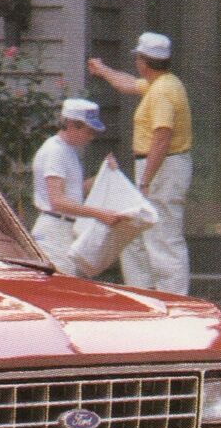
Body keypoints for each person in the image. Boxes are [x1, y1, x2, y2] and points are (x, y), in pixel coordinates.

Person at [87, 31, 193, 294]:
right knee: (138, 235)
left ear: (144, 61)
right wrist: (103, 70)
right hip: (158, 166)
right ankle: (145, 294)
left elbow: (162, 137)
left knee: (163, 236)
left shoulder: (162, 93)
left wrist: (146, 180)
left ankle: (173, 301)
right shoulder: (163, 84)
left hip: (162, 167)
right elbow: (128, 84)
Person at [30, 98, 123, 275]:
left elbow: (73, 191)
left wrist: (104, 174)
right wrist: (99, 213)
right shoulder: (55, 151)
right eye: (89, 131)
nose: (91, 137)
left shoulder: (67, 150)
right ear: (72, 124)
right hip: (54, 229)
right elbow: (58, 201)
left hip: (64, 228)